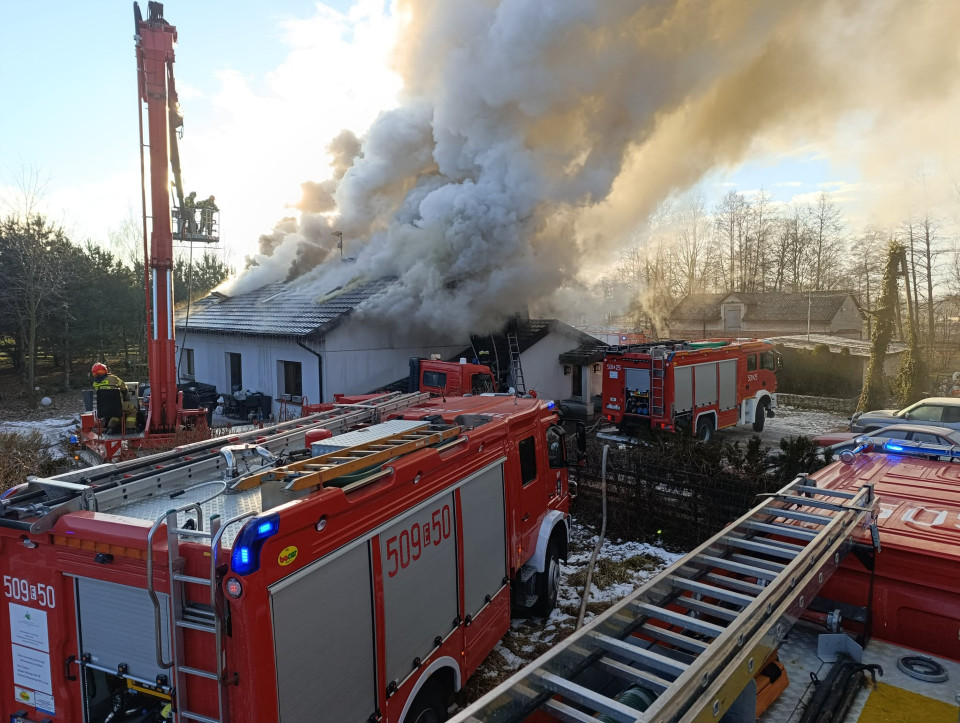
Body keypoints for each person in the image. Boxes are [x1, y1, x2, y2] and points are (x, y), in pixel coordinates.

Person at [91, 363, 137, 432]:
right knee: (132, 409)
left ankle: (111, 427)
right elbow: (124, 388)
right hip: (117, 406)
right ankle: (130, 428)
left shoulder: (95, 384)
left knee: (115, 413)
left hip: (104, 408)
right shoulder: (113, 378)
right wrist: (125, 396)